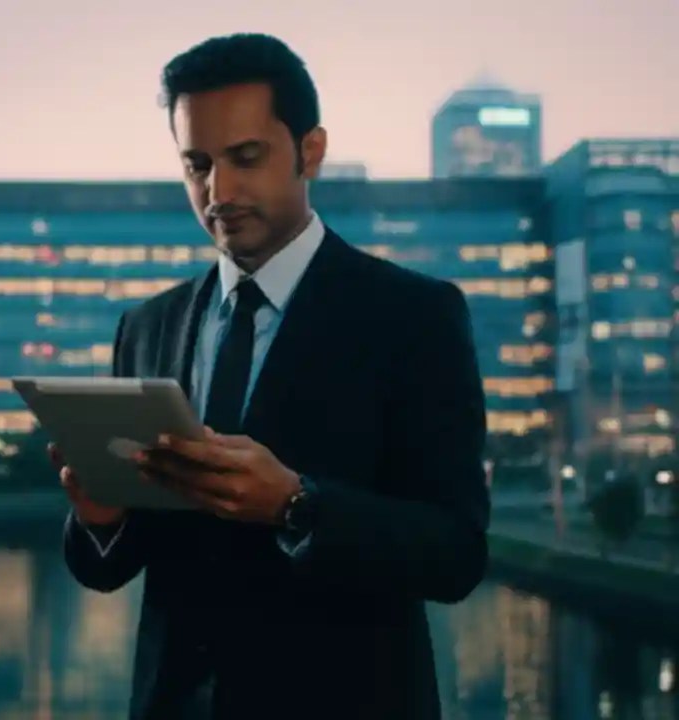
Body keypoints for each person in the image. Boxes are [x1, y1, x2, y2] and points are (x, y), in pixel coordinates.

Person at [52, 33, 490, 719]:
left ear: (310, 151)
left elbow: (456, 553)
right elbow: (110, 566)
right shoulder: (147, 326)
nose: (218, 192)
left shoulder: (414, 315)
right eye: (196, 165)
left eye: (245, 158)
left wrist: (296, 504)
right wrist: (100, 519)